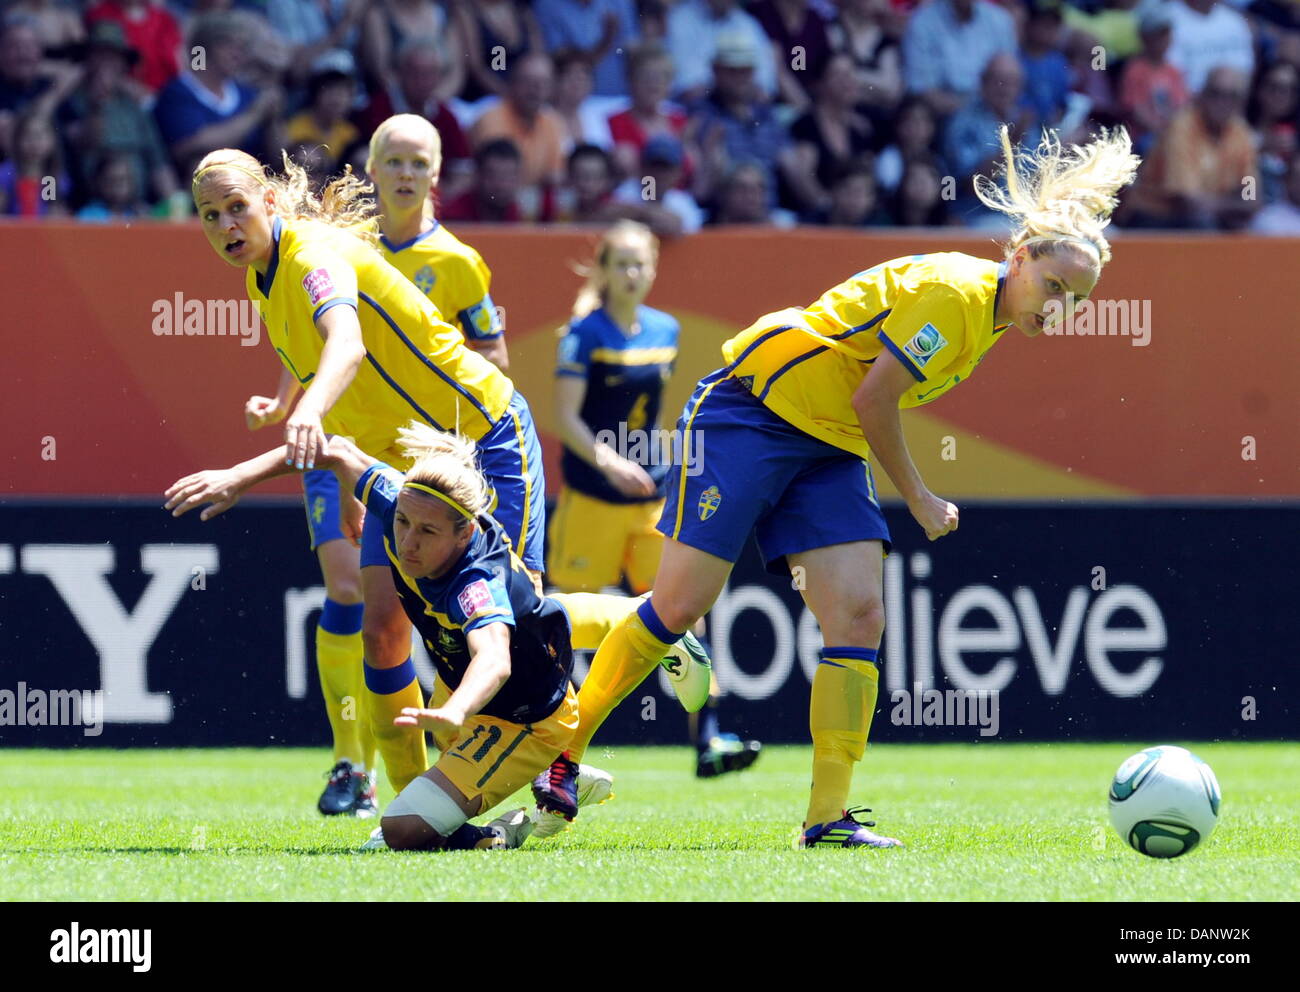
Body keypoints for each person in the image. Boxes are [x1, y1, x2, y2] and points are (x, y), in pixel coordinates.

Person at [562, 125, 1139, 848]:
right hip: (753, 412)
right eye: (1054, 286)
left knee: (860, 614)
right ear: (1018, 258)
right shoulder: (957, 297)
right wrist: (921, 497)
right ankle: (562, 749)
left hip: (825, 442)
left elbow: (859, 409)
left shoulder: (996, 314)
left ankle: (826, 819)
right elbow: (876, 400)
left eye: (1075, 301)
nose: (1060, 307)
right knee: (678, 603)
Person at [171, 148, 710, 821]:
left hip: (481, 436)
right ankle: (406, 806)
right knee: (382, 629)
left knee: (510, 617)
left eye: (237, 207)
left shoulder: (311, 257)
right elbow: (341, 403)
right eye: (210, 215)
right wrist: (264, 471)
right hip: (409, 465)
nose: (225, 224)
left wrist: (303, 412)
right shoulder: (263, 280)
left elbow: (347, 346)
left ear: (272, 204)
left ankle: (642, 631)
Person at [549, 220, 760, 779]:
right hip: (591, 497)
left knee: (682, 610)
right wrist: (610, 461)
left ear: (654, 269)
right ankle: (558, 748)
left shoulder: (664, 329)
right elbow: (565, 418)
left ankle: (707, 737)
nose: (632, 274)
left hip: (650, 498)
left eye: (640, 264)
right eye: (621, 264)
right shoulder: (582, 334)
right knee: (561, 620)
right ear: (604, 271)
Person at [310, 425, 580, 852]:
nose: (407, 544)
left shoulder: (477, 582)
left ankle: (518, 808)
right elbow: (338, 451)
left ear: (464, 534)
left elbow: (494, 657)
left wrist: (455, 710)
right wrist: (237, 478)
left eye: (427, 533)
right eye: (401, 523)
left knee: (400, 831)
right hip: (473, 707)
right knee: (414, 815)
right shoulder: (408, 500)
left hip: (521, 721)